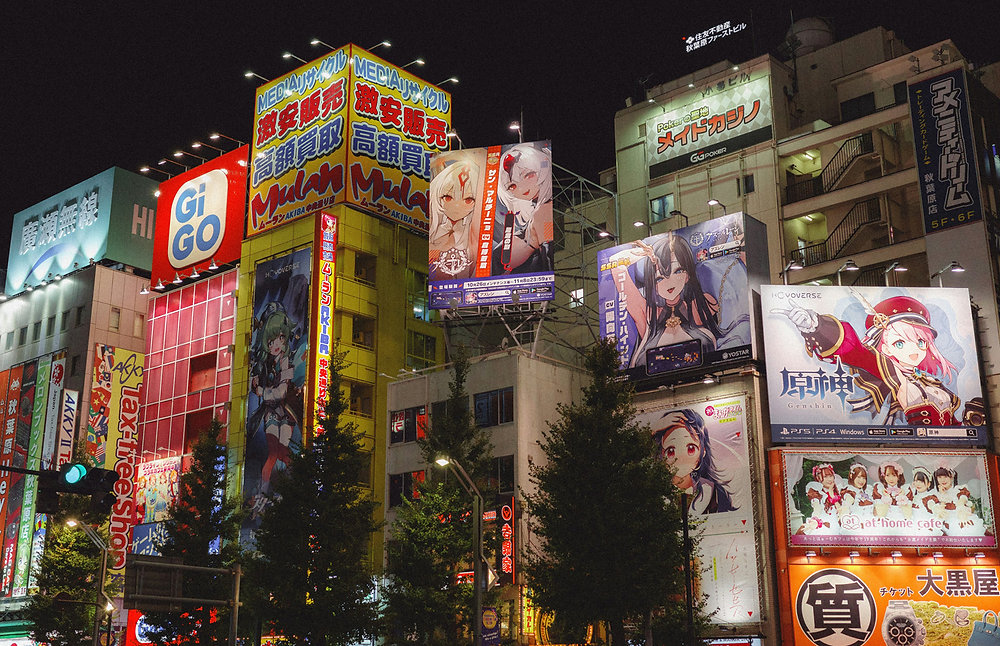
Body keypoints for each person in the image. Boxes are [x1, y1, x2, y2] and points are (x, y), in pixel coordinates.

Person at [774, 294, 985, 426]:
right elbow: (854, 350)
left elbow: (952, 427)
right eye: (900, 343)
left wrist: (970, 423)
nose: (914, 349)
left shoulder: (933, 382)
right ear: (883, 346)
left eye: (921, 342)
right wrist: (816, 325)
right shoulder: (890, 371)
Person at [609, 234, 730, 369]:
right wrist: (646, 253)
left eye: (678, 271)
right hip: (651, 386)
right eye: (660, 278)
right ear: (653, 284)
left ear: (687, 275)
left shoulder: (701, 306)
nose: (669, 282)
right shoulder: (648, 316)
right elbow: (615, 262)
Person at [248, 301, 302, 501]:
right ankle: (264, 494)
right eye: (271, 341)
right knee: (273, 453)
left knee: (282, 453)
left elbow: (281, 392)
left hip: (287, 411)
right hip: (271, 412)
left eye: (280, 337)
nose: (276, 344)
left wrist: (262, 390)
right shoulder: (263, 364)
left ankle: (289, 489)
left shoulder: (287, 362)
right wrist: (256, 385)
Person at [651, 409, 736, 514]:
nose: (681, 458)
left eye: (691, 448)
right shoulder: (653, 496)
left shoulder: (715, 493)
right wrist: (652, 430)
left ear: (703, 451)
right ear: (661, 454)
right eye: (671, 451)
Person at [493, 143, 553, 274]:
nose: (521, 188)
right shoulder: (537, 213)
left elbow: (549, 258)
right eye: (512, 186)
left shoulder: (544, 212)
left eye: (528, 175)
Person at [429, 154, 482, 280]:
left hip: (461, 291)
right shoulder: (434, 223)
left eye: (468, 200)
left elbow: (484, 157)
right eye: (448, 198)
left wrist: (449, 156)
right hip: (436, 292)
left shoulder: (472, 232)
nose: (457, 206)